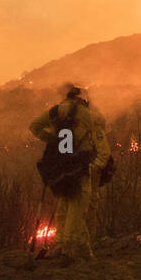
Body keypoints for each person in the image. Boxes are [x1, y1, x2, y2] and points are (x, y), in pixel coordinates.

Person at [29, 83, 109, 263]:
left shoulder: (55, 111)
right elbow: (99, 127)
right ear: (79, 97)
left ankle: (62, 245)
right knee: (78, 205)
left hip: (59, 164)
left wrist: (52, 139)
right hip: (79, 163)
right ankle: (69, 248)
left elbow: (34, 126)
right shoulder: (87, 113)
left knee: (63, 205)